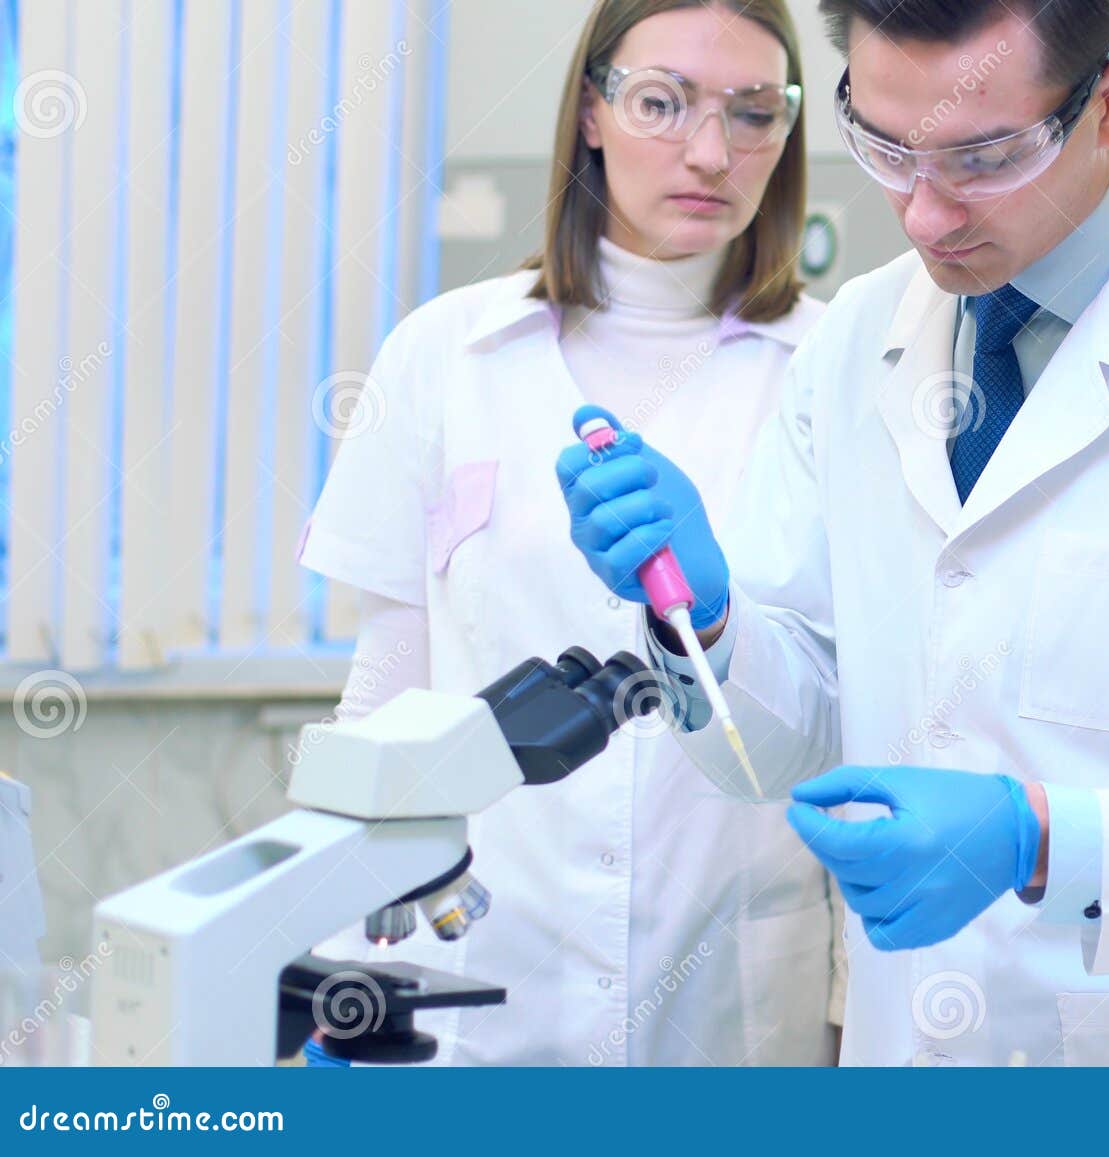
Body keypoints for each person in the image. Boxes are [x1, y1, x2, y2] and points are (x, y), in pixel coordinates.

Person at [558, 0, 1109, 1066]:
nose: (923, 215)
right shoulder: (860, 338)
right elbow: (785, 743)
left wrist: (1045, 841)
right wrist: (706, 628)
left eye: (984, 157)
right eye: (886, 148)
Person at [297, 0, 834, 1066]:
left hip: (729, 985)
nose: (708, 150)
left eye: (752, 112)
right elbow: (387, 686)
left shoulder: (833, 375)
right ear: (590, 110)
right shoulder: (445, 355)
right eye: (660, 103)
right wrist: (334, 955)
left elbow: (850, 701)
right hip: (489, 961)